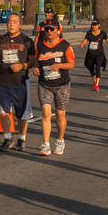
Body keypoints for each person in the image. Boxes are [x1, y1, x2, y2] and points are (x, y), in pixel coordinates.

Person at [0, 13, 37, 152]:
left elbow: (33, 61)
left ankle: (22, 139)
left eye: (14, 22)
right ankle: (7, 138)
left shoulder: (26, 40)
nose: (11, 24)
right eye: (9, 21)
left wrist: (22, 66)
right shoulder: (0, 39)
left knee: (22, 115)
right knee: (4, 112)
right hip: (4, 81)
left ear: (20, 25)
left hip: (21, 82)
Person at [33, 22, 75, 155]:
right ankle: (45, 144)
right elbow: (36, 60)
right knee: (45, 114)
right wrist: (36, 68)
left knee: (60, 114)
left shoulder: (65, 46)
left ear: (58, 30)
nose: (49, 31)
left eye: (52, 29)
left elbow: (71, 64)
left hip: (62, 85)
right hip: (45, 84)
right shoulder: (40, 46)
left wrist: (59, 66)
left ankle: (60, 141)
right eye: (47, 29)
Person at [81, 19, 108, 91]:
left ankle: (97, 85)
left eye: (95, 25)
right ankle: (95, 82)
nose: (94, 26)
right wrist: (82, 44)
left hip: (99, 54)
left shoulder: (102, 33)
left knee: (97, 67)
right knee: (90, 68)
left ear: (98, 25)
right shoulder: (89, 33)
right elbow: (86, 39)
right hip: (90, 54)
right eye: (93, 25)